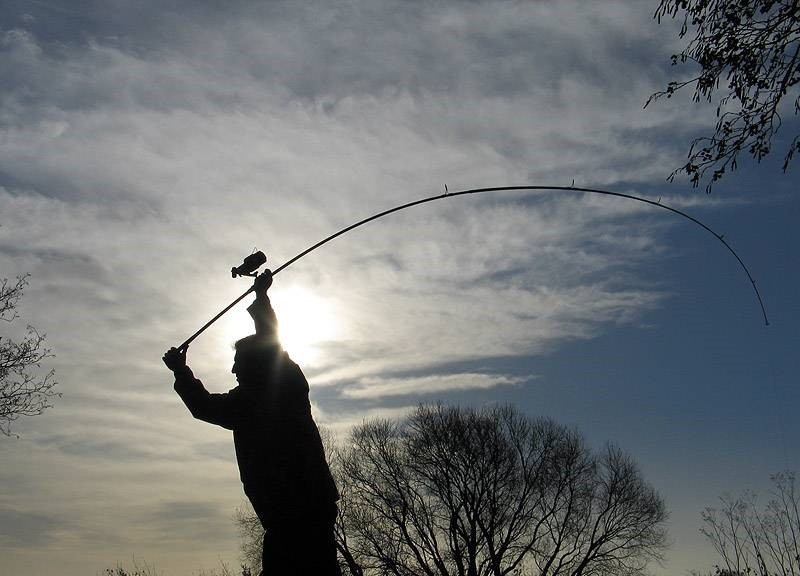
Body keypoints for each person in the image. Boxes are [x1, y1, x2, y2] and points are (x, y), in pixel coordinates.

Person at [163, 271, 341, 575]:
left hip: (299, 508)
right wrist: (181, 371)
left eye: (238, 361)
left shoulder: (280, 388)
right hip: (294, 509)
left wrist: (261, 299)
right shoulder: (261, 397)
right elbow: (204, 405)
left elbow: (270, 343)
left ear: (257, 363)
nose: (232, 368)